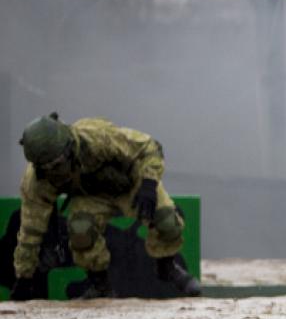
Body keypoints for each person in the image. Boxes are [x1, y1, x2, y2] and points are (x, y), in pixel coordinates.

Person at [13, 113, 201, 299]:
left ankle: (166, 266)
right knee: (80, 229)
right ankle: (100, 284)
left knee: (166, 219)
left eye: (58, 164)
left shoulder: (96, 137)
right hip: (91, 197)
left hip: (131, 185)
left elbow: (148, 147)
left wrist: (149, 183)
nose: (55, 172)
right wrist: (24, 277)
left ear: (70, 149)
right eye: (46, 168)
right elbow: (31, 229)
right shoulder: (37, 181)